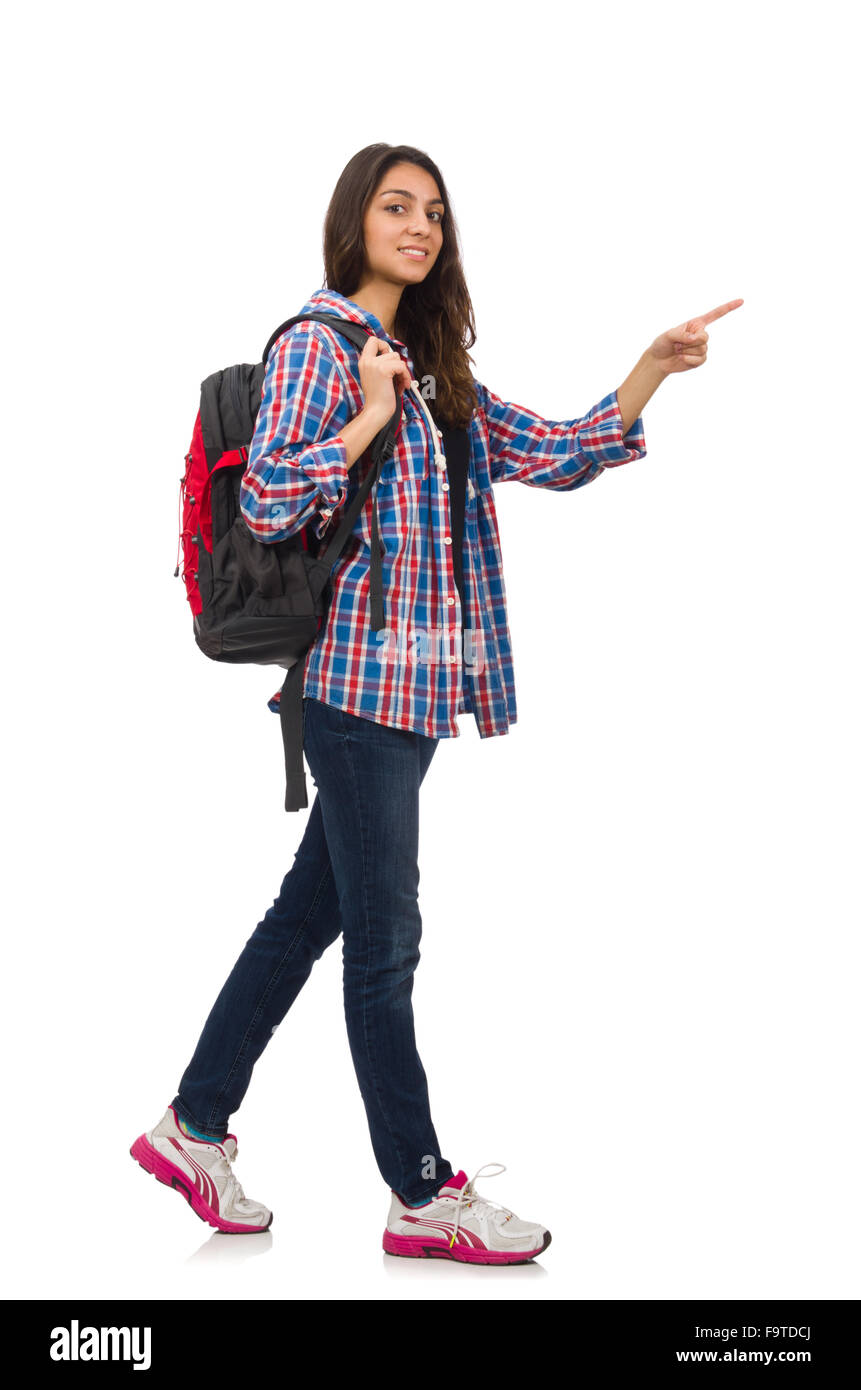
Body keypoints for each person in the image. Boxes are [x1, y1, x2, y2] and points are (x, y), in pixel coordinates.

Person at [131, 143, 742, 1263]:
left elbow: (557, 451)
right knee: (385, 939)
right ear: (353, 220)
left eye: (435, 213)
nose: (420, 226)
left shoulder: (431, 363)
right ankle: (421, 1188)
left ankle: (192, 1125)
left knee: (305, 920)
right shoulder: (323, 349)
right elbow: (268, 501)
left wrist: (651, 367)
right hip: (357, 683)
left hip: (414, 690)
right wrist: (365, 411)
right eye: (396, 206)